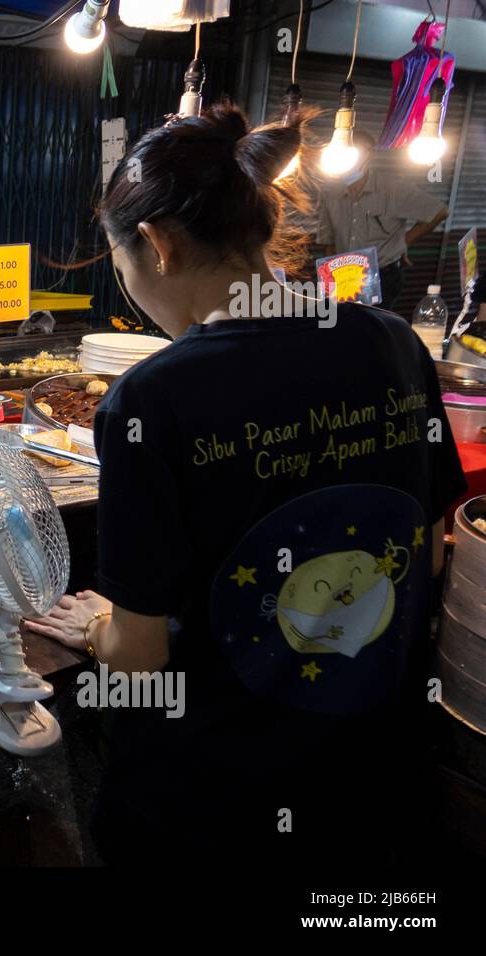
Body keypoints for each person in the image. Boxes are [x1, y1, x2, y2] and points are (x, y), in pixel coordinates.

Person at [23, 102, 465, 865]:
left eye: (121, 269)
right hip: (373, 775)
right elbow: (424, 560)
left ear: (156, 245)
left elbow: (139, 659)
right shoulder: (391, 339)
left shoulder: (152, 399)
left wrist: (99, 625)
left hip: (214, 803)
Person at [314, 130, 448, 312]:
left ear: (369, 156)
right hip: (343, 275)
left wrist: (403, 243)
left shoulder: (393, 189)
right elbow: (328, 240)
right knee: (340, 329)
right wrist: (328, 283)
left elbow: (439, 211)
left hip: (383, 275)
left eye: (356, 154)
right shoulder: (330, 190)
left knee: (374, 330)